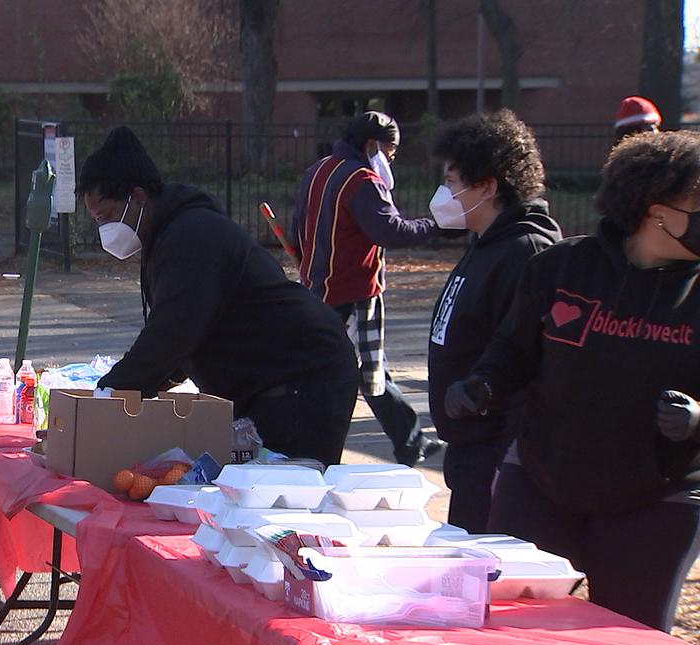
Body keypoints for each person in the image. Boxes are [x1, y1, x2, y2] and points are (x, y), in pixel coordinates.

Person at [445, 130, 700, 631]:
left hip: (655, 499)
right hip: (541, 482)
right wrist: (483, 385)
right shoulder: (562, 268)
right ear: (657, 212)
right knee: (510, 629)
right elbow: (513, 353)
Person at [83, 126, 359, 466]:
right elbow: (184, 337)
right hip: (270, 378)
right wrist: (134, 386)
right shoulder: (170, 236)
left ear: (138, 197)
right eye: (97, 220)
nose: (105, 229)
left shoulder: (191, 235)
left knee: (282, 496)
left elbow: (173, 331)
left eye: (108, 215)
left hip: (300, 376)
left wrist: (113, 391)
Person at [425, 110, 561, 533]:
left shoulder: (525, 251)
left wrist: (509, 462)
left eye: (452, 182)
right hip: (468, 446)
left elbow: (527, 361)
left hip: (496, 454)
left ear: (487, 186)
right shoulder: (484, 242)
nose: (444, 194)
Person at [292, 111, 446, 467]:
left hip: (319, 286)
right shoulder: (361, 180)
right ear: (373, 145)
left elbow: (298, 225)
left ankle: (409, 440)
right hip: (355, 291)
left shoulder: (317, 171)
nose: (391, 159)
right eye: (390, 151)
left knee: (361, 367)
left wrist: (309, 265)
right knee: (361, 372)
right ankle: (321, 448)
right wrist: (438, 225)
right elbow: (389, 231)